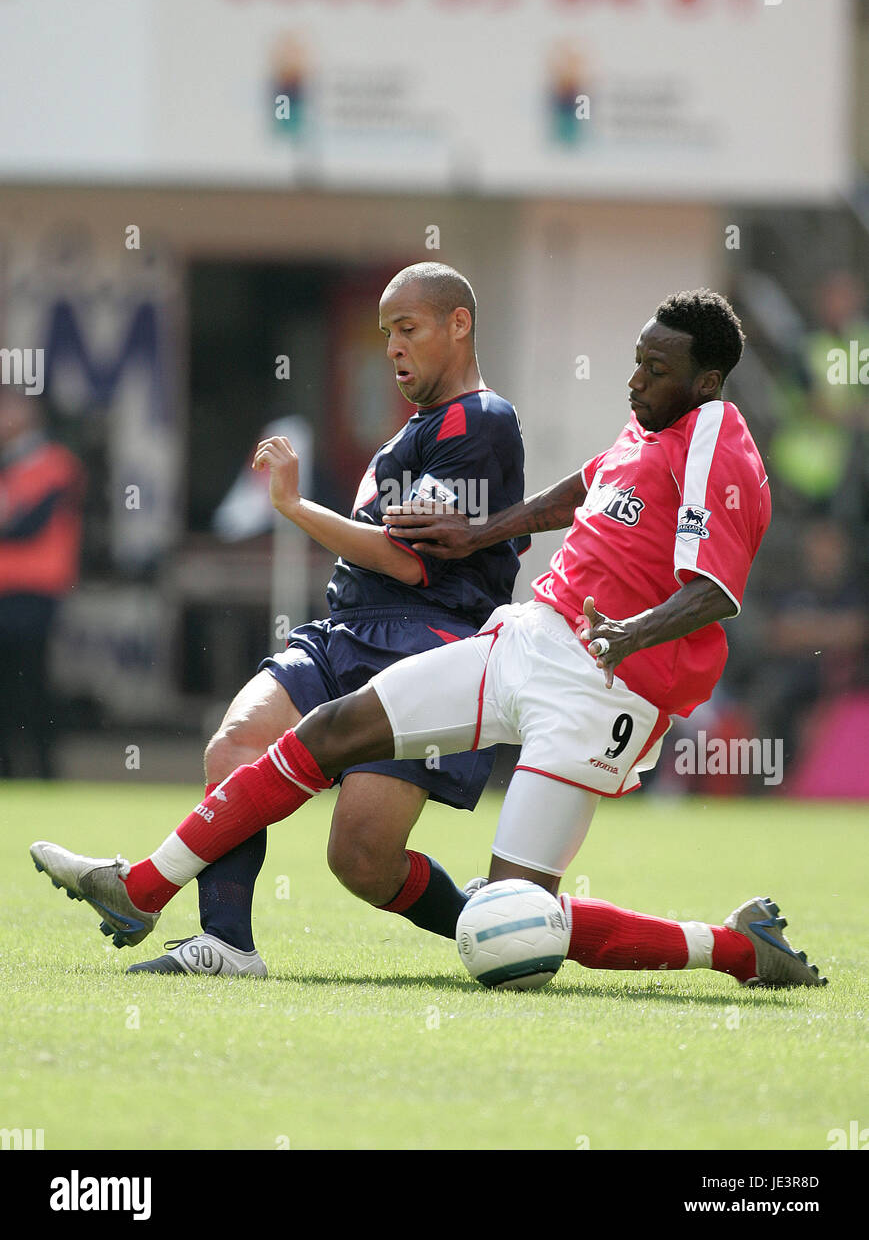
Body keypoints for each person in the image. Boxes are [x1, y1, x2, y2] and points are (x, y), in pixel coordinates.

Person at [31, 290, 826, 988]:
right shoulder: (651, 424)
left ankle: (734, 949)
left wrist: (626, 635)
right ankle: (140, 889)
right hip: (527, 638)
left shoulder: (718, 440)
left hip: (601, 688)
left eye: (654, 369)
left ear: (707, 381)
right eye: (635, 362)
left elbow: (714, 591)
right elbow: (586, 484)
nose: (634, 381)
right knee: (331, 728)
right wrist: (488, 529)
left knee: (515, 921)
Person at [123, 261, 528, 975]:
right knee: (234, 749)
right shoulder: (417, 429)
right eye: (385, 334)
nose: (393, 347)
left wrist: (295, 507)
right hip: (345, 631)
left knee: (362, 861)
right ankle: (224, 944)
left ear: (458, 324)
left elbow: (407, 562)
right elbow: (392, 547)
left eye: (408, 328)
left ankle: (508, 929)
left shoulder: (481, 420)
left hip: (423, 648)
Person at [0, 387, 85, 780]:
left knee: (30, 682)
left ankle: (42, 769)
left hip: (33, 592)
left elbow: (25, 526)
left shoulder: (55, 464)